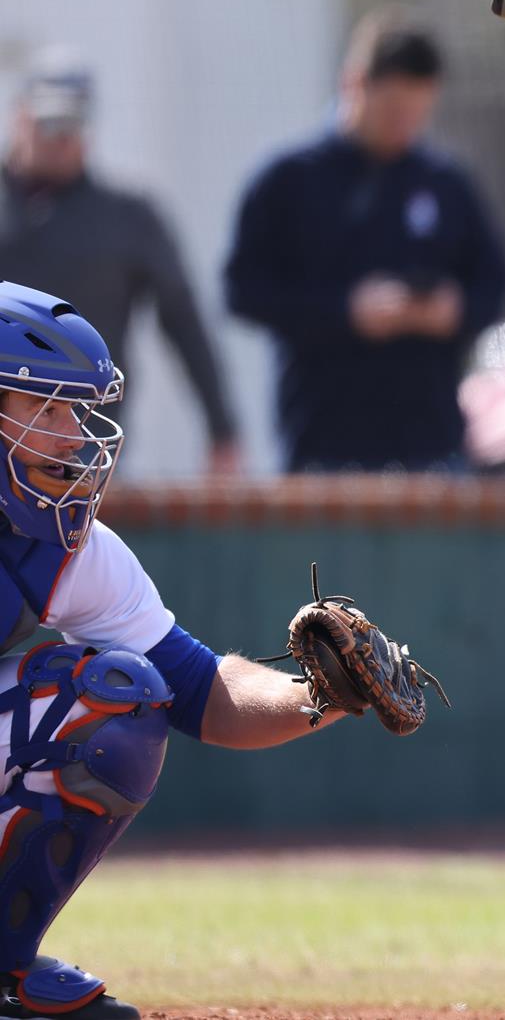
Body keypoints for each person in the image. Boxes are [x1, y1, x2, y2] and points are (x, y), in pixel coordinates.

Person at [0, 282, 380, 1019]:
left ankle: (4, 972)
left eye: (75, 409)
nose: (73, 435)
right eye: (42, 408)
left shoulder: (69, 548)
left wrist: (324, 694)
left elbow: (201, 692)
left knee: (123, 699)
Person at [224, 8, 505, 471]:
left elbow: (494, 283)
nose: (405, 126)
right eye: (394, 111)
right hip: (324, 447)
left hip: (433, 446)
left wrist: (451, 309)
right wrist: (345, 311)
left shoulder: (446, 182)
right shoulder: (289, 180)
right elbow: (242, 291)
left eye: (417, 113)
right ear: (354, 84)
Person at [0, 48, 239, 474]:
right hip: (3, 426)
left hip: (82, 440)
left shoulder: (128, 216)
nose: (59, 137)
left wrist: (222, 430)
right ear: (21, 117)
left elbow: (183, 321)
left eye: (70, 124)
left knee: (79, 538)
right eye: (48, 122)